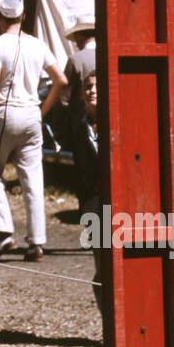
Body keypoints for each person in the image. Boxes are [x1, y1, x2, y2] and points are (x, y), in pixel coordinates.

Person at [0, 0, 65, 263]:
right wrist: (42, 110)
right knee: (33, 179)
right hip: (30, 113)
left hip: (4, 112)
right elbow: (60, 79)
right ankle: (36, 242)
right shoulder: (37, 45)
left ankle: (4, 232)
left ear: (0, 16)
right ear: (23, 16)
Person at [68, 72, 105, 312]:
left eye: (96, 87)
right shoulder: (79, 128)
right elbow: (80, 174)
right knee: (102, 270)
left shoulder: (116, 122)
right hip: (95, 207)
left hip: (121, 206)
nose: (91, 91)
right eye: (87, 87)